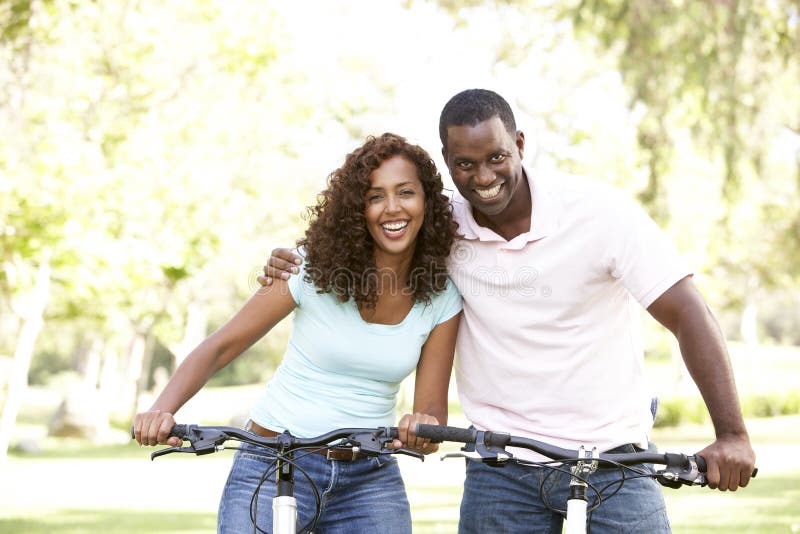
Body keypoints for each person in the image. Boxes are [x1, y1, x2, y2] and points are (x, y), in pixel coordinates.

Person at [261, 89, 757, 533]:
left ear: (519, 143)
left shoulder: (601, 213)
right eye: (465, 164)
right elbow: (360, 239)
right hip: (500, 467)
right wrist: (292, 259)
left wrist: (731, 434)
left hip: (613, 460)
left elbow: (688, 314)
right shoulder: (439, 229)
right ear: (447, 162)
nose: (484, 177)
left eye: (496, 156)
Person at [133, 132, 462, 534]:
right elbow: (221, 346)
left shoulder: (442, 295)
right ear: (358, 208)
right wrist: (161, 409)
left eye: (405, 192)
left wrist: (420, 431)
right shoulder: (307, 269)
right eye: (375, 196)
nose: (392, 208)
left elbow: (432, 422)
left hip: (369, 477)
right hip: (273, 463)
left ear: (426, 200)